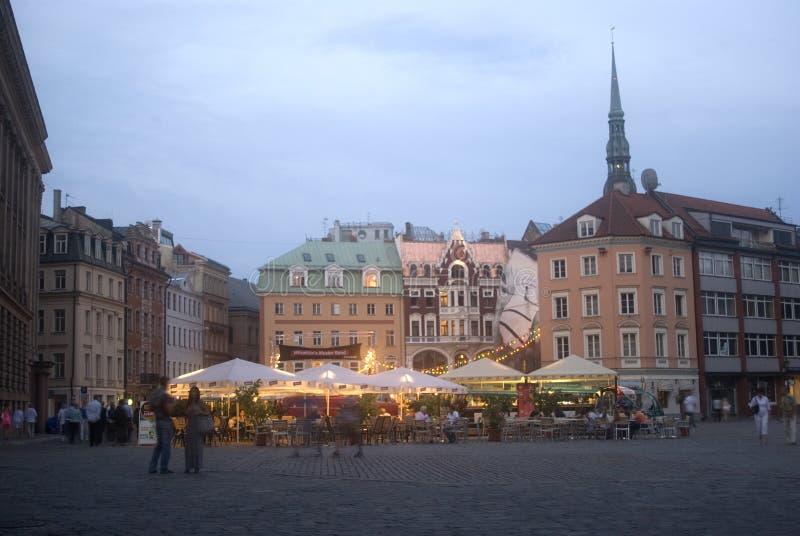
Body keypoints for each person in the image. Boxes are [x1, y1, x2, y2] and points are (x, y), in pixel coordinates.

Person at [147, 376, 176, 474]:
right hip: (165, 421)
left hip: (157, 420)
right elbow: (168, 410)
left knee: (159, 445)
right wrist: (173, 405)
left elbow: (150, 408)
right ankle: (164, 467)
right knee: (166, 446)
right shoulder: (164, 395)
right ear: (166, 383)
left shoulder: (154, 394)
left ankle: (152, 467)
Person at [184, 386, 209, 473]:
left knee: (197, 447)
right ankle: (188, 466)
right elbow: (185, 414)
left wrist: (200, 412)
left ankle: (197, 467)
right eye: (191, 392)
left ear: (198, 393)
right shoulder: (188, 403)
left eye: (195, 392)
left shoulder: (201, 403)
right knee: (188, 447)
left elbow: (207, 413)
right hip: (190, 426)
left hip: (198, 426)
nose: (193, 393)